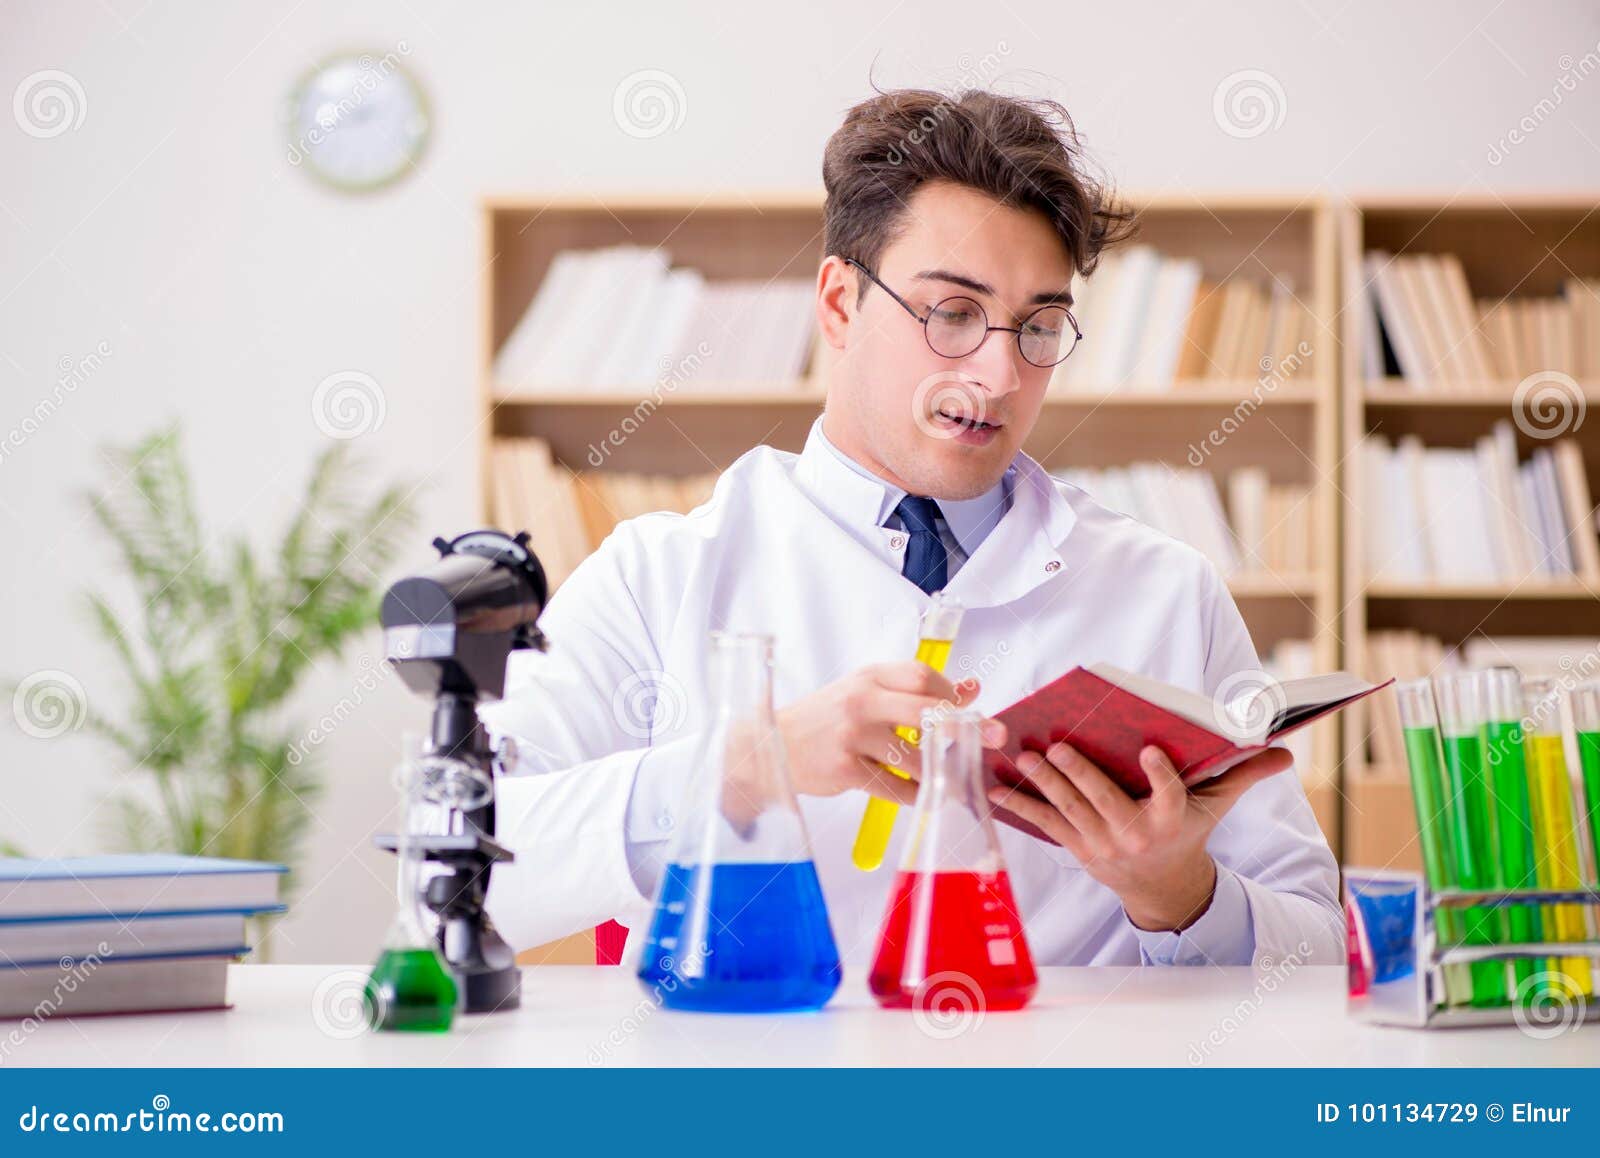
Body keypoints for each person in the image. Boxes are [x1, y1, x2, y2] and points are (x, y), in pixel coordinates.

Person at [479, 87, 1343, 968]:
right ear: (839, 303)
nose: (1000, 376)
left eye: (1039, 326)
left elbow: (1316, 953)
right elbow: (469, 879)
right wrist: (745, 766)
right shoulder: (656, 576)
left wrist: (1179, 895)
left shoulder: (1165, 590)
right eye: (953, 313)